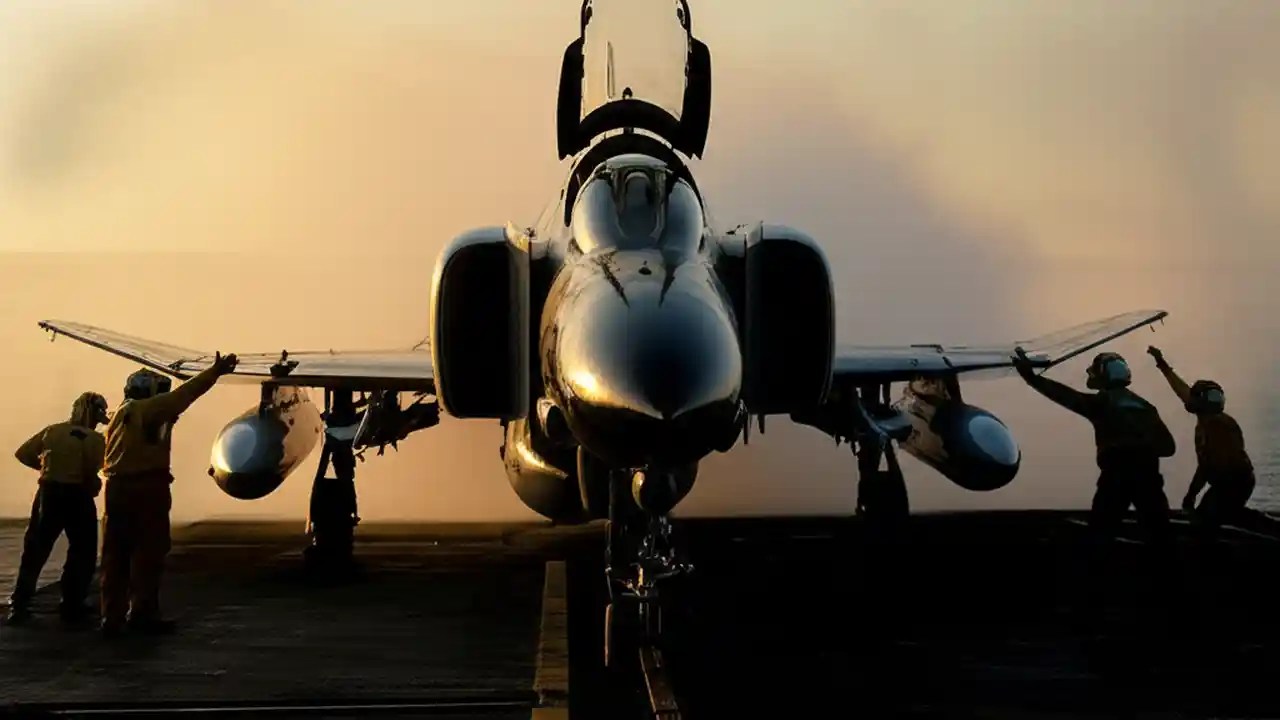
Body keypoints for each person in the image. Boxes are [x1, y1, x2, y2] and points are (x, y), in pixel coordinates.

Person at [99, 353, 237, 636]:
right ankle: (143, 614)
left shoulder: (118, 415)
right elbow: (186, 395)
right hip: (146, 489)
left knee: (115, 556)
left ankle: (111, 617)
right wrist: (215, 372)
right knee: (148, 553)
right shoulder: (149, 410)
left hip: (116, 489)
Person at [1012, 348, 1177, 545]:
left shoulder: (1102, 402)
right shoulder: (1147, 407)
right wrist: (1142, 446)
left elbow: (1064, 395)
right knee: (1161, 534)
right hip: (1149, 477)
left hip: (1116, 476)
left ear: (1102, 375)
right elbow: (1168, 448)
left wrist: (1031, 377)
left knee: (1102, 532)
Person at [5, 392, 110, 626]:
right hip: (78, 496)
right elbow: (100, 468)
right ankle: (72, 605)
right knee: (82, 552)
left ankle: (19, 605)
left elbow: (23, 454)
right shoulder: (95, 440)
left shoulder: (52, 431)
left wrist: (45, 467)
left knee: (35, 550)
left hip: (48, 493)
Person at [1147, 346, 1262, 535]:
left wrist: (1191, 495)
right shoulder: (1211, 418)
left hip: (1232, 483)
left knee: (1206, 523)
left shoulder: (1216, 426)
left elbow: (1208, 467)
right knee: (1223, 514)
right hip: (1236, 481)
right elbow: (1182, 390)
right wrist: (1161, 363)